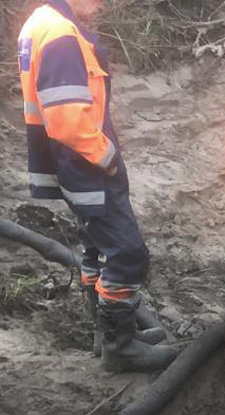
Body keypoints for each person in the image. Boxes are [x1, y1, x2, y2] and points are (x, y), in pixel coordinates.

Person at [19, 0, 175, 373]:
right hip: (84, 163)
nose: (105, 3)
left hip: (70, 162)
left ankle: (104, 335)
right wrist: (107, 157)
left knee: (97, 248)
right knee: (126, 253)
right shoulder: (59, 34)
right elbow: (68, 121)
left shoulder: (41, 22)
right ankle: (120, 348)